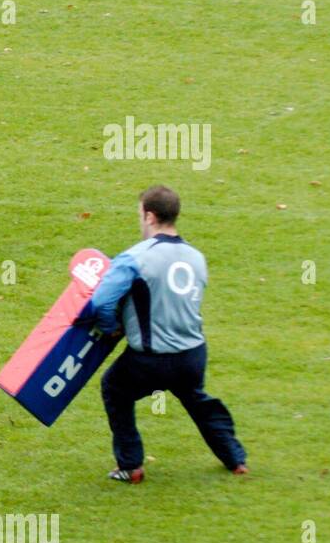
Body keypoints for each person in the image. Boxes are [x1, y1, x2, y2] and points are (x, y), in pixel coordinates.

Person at [79, 185, 249, 483]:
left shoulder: (135, 257)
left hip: (150, 360)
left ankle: (131, 466)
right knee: (198, 400)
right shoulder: (197, 257)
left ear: (150, 216)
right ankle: (235, 459)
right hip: (193, 354)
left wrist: (111, 328)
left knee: (114, 389)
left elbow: (101, 302)